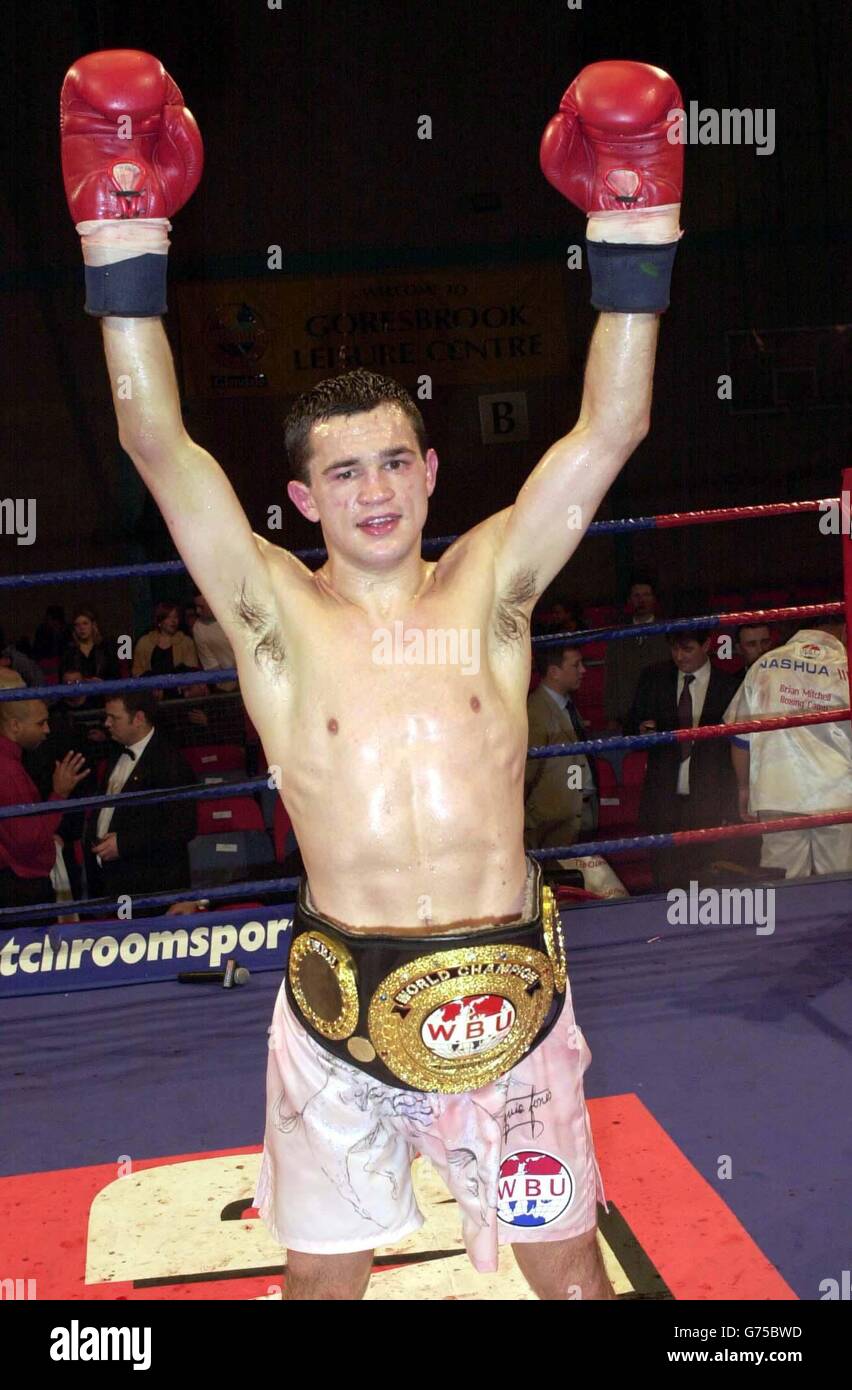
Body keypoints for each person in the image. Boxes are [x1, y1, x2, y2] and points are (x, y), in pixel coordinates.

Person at [63, 48, 683, 1300]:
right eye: (345, 473)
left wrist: (635, 222)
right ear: (302, 498)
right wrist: (119, 233)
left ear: (432, 471)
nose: (377, 490)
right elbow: (153, 437)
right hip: (342, 1021)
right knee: (324, 1293)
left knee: (573, 1280)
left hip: (510, 1012)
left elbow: (609, 429)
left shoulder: (495, 588)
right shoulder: (274, 618)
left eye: (395, 462)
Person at [724, 615, 852, 877]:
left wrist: (744, 788)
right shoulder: (846, 667)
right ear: (844, 628)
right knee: (841, 883)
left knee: (785, 883)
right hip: (837, 793)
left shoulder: (764, 664)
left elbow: (740, 737)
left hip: (777, 788)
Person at [625, 630, 741, 888]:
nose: (679, 656)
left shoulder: (729, 686)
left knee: (708, 884)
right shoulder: (654, 678)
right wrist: (640, 729)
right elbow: (630, 728)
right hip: (662, 802)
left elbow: (733, 751)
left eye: (687, 649)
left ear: (707, 645)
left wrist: (730, 804)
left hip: (710, 801)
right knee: (665, 885)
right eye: (674, 649)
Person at [83, 691, 199, 902]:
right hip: (113, 881)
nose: (107, 723)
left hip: (150, 886)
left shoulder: (171, 762)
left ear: (138, 719)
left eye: (114, 718)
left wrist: (124, 843)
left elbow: (183, 826)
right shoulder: (116, 750)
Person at [0, 669, 90, 910]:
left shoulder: (12, 762)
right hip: (20, 887)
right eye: (41, 723)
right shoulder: (7, 770)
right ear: (15, 726)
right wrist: (59, 795)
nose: (47, 729)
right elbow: (28, 842)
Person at [525, 644, 597, 848]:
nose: (583, 670)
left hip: (576, 816)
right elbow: (526, 776)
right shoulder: (536, 712)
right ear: (554, 672)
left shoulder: (565, 704)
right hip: (551, 826)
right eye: (576, 665)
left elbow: (573, 762)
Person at [603, 577, 671, 731]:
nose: (642, 600)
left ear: (654, 599)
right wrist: (611, 716)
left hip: (661, 713)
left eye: (646, 595)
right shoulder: (617, 636)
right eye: (637, 596)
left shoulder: (668, 632)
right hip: (627, 715)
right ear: (629, 600)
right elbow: (611, 678)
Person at [131, 602, 200, 678]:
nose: (173, 621)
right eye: (169, 617)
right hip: (152, 687)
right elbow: (137, 671)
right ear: (160, 621)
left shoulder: (186, 642)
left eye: (175, 617)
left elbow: (192, 670)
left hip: (179, 687)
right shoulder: (144, 642)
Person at [190, 592, 238, 693]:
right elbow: (212, 668)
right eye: (196, 607)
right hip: (229, 688)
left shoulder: (237, 615)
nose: (198, 611)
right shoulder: (199, 628)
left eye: (201, 607)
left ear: (212, 601)